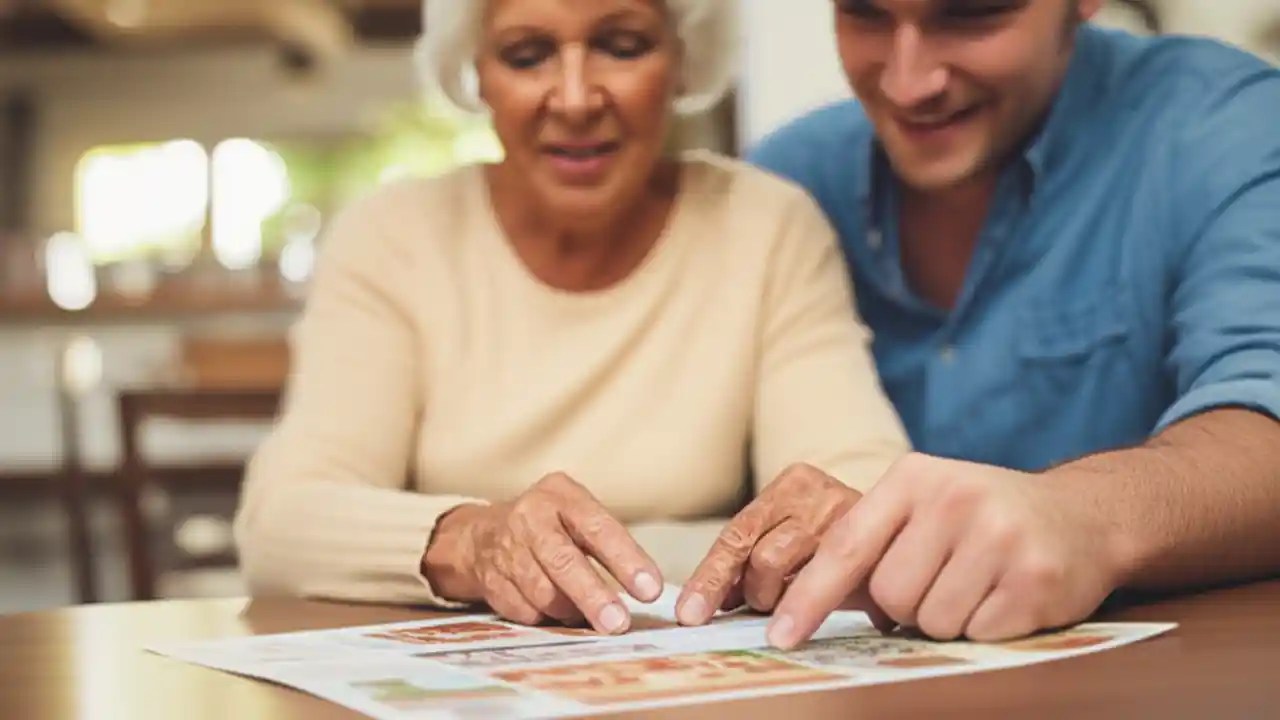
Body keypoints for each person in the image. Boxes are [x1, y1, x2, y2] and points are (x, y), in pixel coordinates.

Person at [233, 0, 910, 637]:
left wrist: (591, 562)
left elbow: (858, 501)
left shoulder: (766, 225)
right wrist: (475, 541)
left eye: (623, 46)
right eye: (527, 56)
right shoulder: (393, 236)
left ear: (682, 59)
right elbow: (282, 523)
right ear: (478, 73)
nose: (578, 99)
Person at [673, 0, 1280, 646]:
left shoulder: (1228, 127)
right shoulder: (791, 184)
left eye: (970, 15)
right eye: (865, 15)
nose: (909, 82)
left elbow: (1264, 411)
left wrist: (1084, 515)